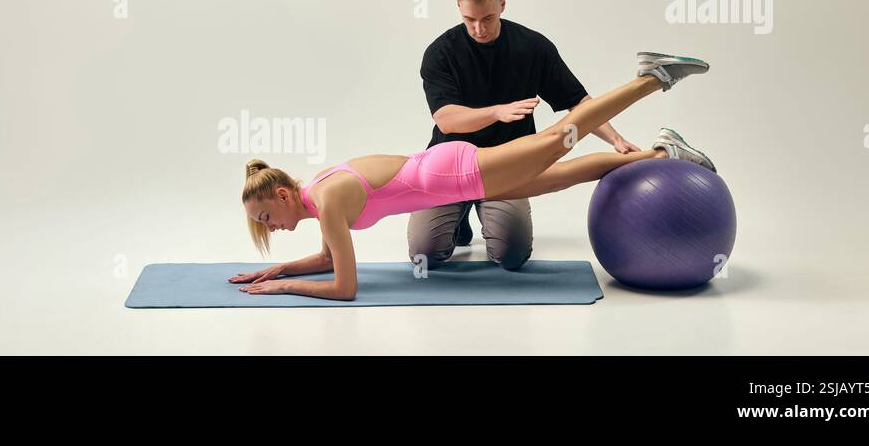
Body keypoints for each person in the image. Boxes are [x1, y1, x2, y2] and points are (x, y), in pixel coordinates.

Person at [232, 53, 714, 300]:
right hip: (451, 173)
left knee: (556, 140)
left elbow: (346, 286)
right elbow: (328, 257)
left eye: (266, 216)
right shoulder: (317, 195)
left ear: (280, 192)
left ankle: (654, 78)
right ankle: (663, 151)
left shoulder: (329, 199)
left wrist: (283, 288)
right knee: (560, 174)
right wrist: (280, 269)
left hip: (455, 169)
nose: (270, 226)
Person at [412, 0, 643, 272]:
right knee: (424, 255)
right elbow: (447, 120)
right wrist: (496, 112)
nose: (479, 28)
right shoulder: (440, 52)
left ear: (502, 5)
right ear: (458, 7)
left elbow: (579, 104)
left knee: (512, 256)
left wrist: (615, 139)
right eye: (469, 19)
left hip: (509, 168)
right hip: (450, 166)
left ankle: (480, 209)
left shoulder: (533, 47)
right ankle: (458, 217)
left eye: (488, 19)